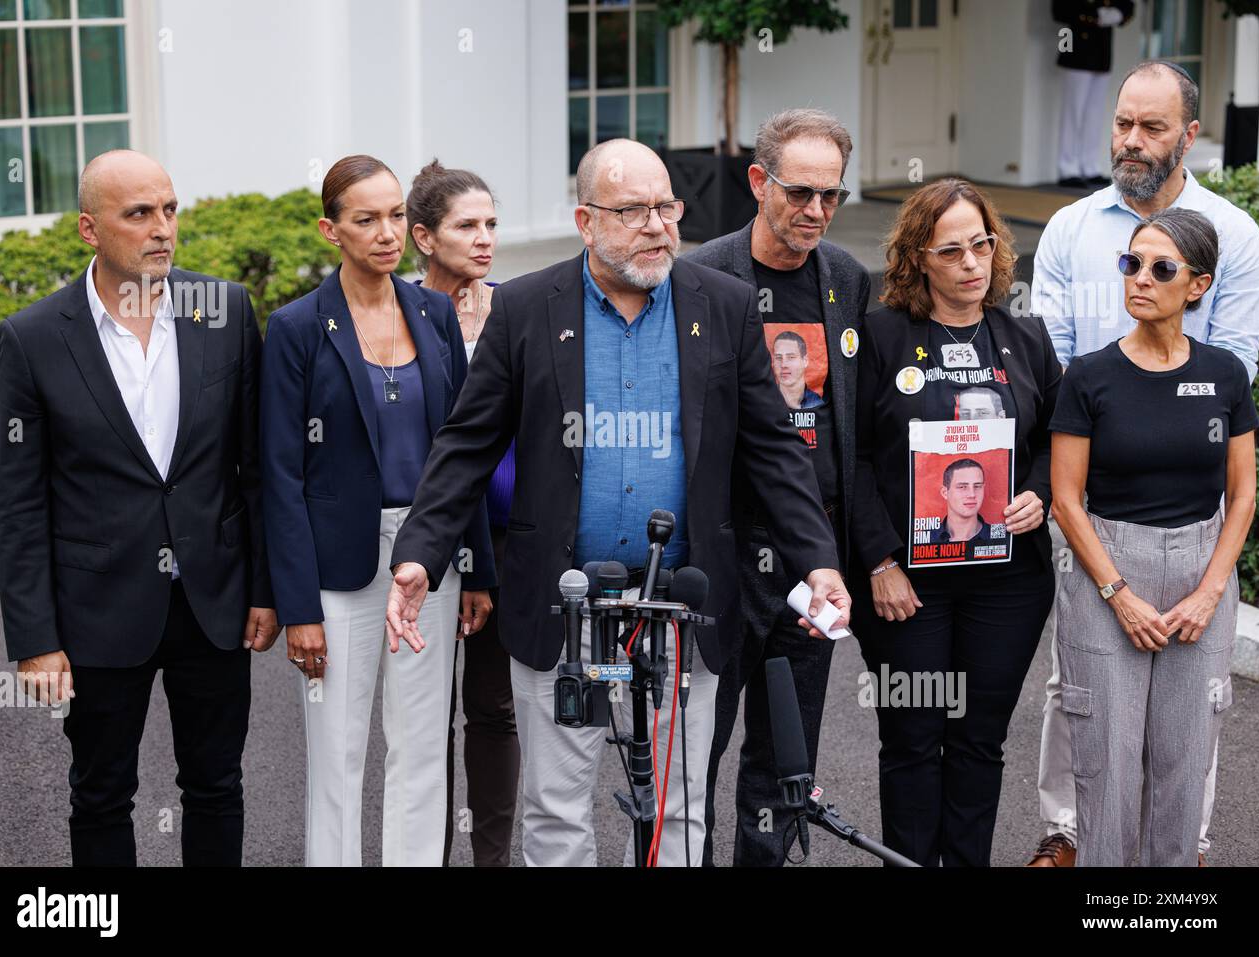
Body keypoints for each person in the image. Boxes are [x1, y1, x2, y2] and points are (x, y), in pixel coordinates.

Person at [384, 138, 849, 867]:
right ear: (586, 219)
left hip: (682, 607)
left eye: (667, 207)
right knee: (557, 810)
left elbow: (773, 448)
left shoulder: (721, 305)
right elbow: (466, 443)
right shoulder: (530, 307)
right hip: (561, 601)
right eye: (633, 210)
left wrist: (818, 560)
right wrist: (418, 553)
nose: (658, 225)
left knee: (677, 809)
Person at [0, 150, 278, 866]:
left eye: (170, 210)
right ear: (90, 228)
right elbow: (22, 503)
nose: (162, 229)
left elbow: (255, 470)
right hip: (95, 608)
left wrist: (265, 590)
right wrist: (34, 636)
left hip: (212, 600)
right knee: (100, 792)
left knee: (216, 784)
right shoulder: (33, 338)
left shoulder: (227, 311)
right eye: (139, 213)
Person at [1028, 59, 1259, 867]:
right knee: (1084, 691)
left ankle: (1181, 850)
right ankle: (1072, 836)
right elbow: (1050, 361)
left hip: (1191, 513)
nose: (1131, 139)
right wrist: (1099, 420)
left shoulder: (1232, 235)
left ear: (1190, 136)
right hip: (1093, 496)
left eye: (1152, 126)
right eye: (1122, 121)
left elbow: (1225, 379)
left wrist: (1207, 579)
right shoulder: (1069, 229)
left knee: (1192, 711)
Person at [261, 154, 495, 867]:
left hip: (427, 556)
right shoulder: (297, 326)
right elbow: (280, 472)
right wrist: (297, 606)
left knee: (423, 742)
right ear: (330, 229)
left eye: (396, 215)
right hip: (337, 569)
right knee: (336, 748)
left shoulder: (433, 313)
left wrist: (475, 565)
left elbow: (463, 452)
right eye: (366, 219)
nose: (387, 232)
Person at [852, 178, 1061, 866]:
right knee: (911, 738)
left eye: (982, 244)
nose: (972, 263)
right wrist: (878, 559)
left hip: (1006, 585)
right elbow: (847, 454)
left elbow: (1060, 439)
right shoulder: (880, 336)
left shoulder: (1025, 336)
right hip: (905, 584)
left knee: (978, 740)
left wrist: (1039, 493)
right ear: (917, 259)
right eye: (951, 251)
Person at [684, 107, 870, 866]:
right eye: (799, 193)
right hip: (721, 551)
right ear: (759, 181)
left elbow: (859, 423)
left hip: (809, 555)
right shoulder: (700, 277)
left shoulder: (849, 281)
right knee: (695, 747)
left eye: (832, 195)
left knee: (785, 756)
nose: (816, 211)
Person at [405, 158, 520, 868]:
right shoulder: (394, 314)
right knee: (421, 716)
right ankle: (424, 853)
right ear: (424, 236)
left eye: (492, 225)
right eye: (466, 225)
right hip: (422, 539)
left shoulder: (517, 308)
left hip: (508, 536)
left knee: (495, 707)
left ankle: (493, 858)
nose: (484, 240)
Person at [1052, 1, 1135, 188]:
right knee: (1073, 113)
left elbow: (1128, 6)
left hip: (1102, 51)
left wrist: (1117, 14)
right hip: (1076, 48)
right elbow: (1060, 11)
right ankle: (1067, 168)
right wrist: (1097, 15)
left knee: (1095, 113)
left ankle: (1089, 165)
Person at [927, 459, 992, 546]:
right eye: (962, 487)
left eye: (977, 486)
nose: (972, 494)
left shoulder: (998, 536)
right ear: (945, 493)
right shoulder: (927, 538)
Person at [771, 331, 824, 409]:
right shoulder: (765, 402)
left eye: (791, 357)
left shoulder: (818, 404)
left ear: (805, 361)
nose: (783, 365)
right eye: (778, 358)